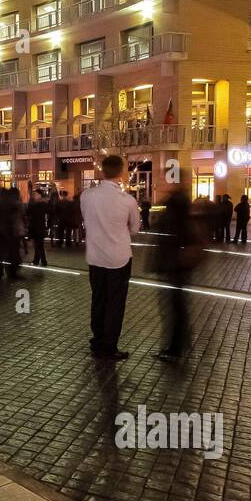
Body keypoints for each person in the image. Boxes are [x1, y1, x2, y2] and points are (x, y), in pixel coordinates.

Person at [80, 155, 140, 362]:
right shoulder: (128, 201)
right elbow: (134, 229)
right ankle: (109, 345)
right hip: (119, 257)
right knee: (115, 303)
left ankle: (97, 340)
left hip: (95, 256)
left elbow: (86, 219)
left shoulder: (86, 196)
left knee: (98, 299)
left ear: (102, 171)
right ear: (121, 172)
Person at [156, 186, 204, 362]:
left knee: (176, 307)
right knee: (177, 306)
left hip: (175, 267)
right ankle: (181, 343)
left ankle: (176, 348)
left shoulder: (175, 217)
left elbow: (169, 241)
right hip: (177, 267)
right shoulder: (184, 216)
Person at [27, 191, 49, 266]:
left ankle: (42, 261)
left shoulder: (39, 205)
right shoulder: (42, 204)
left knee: (39, 245)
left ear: (40, 195)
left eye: (35, 194)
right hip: (39, 227)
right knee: (38, 245)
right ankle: (38, 260)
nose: (33, 196)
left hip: (37, 228)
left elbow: (28, 212)